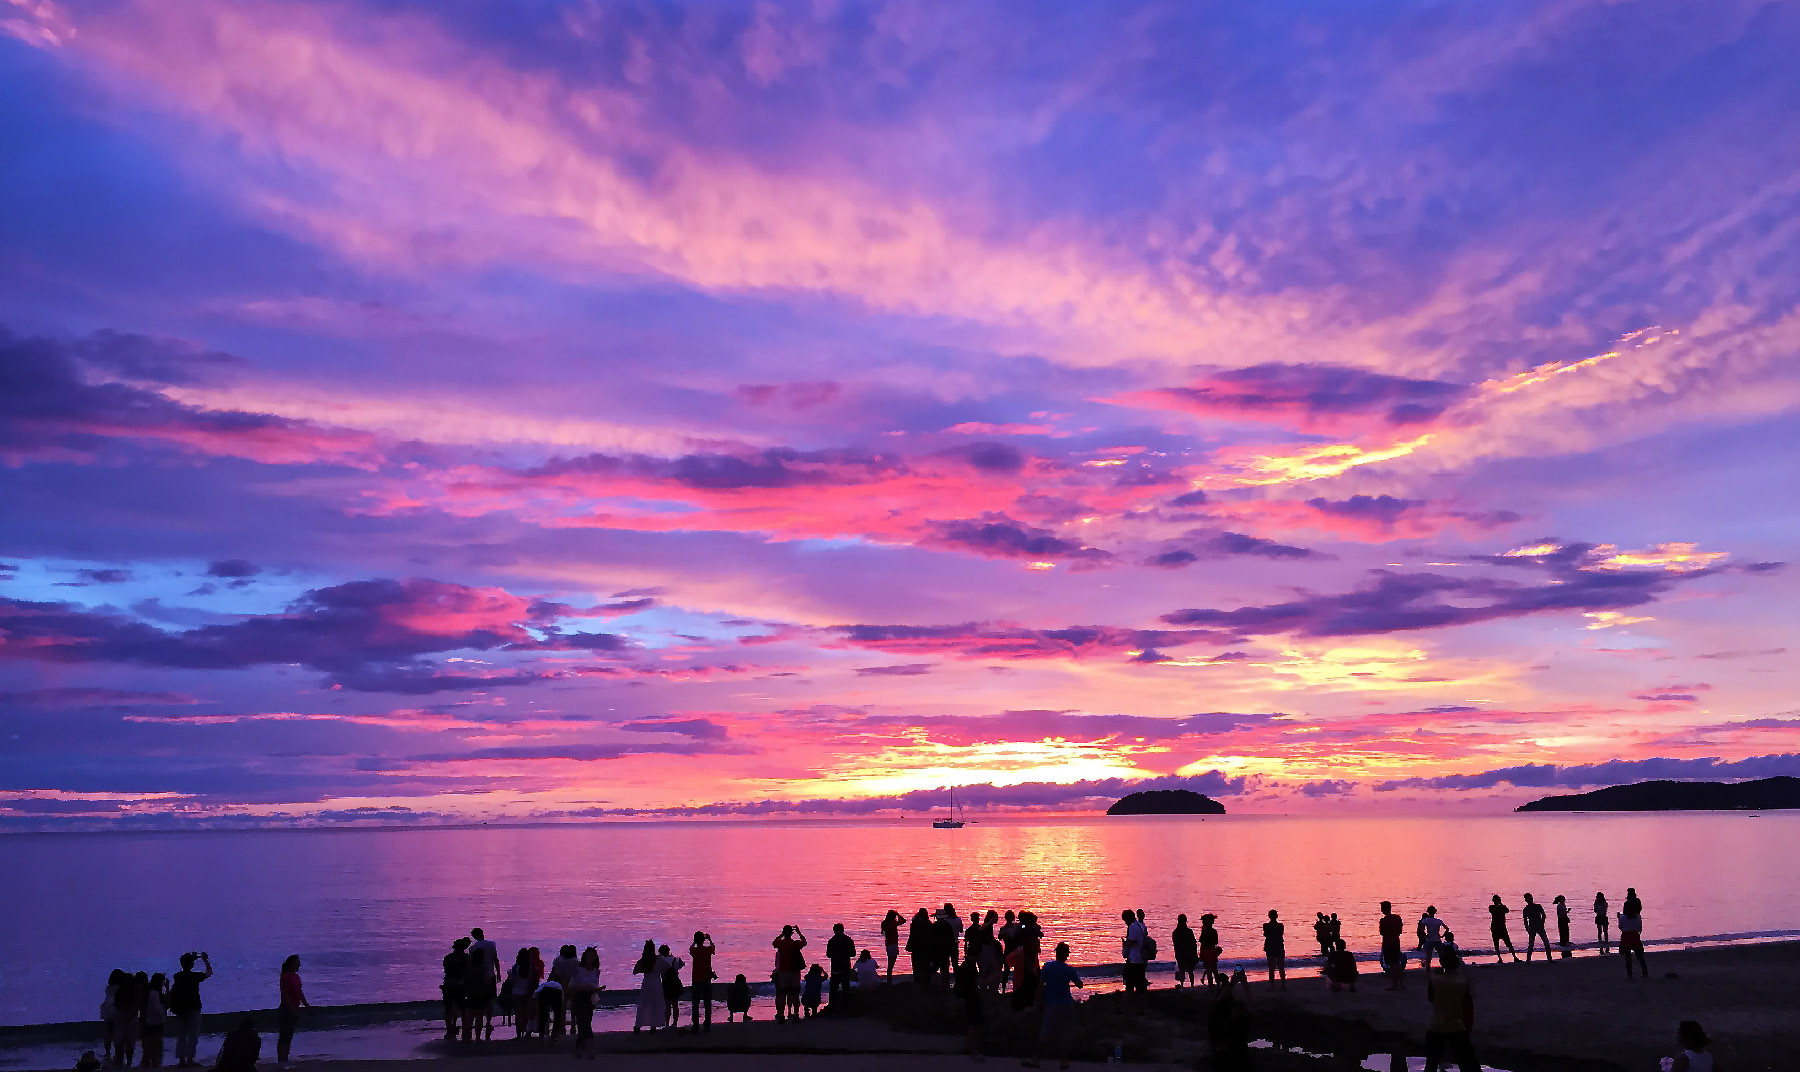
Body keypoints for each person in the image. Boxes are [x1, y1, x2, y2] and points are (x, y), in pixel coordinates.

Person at [1022, 942, 1082, 1070]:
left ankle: (1036, 1059)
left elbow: (1040, 987)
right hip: (1066, 1004)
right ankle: (1064, 1061)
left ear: (1056, 953)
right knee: (1065, 1032)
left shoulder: (1047, 967)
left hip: (1051, 1004)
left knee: (1045, 1033)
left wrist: (1038, 1003)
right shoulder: (1069, 969)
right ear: (1066, 955)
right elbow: (1079, 984)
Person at [1423, 948, 1478, 1072]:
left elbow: (1430, 999)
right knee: (1469, 1063)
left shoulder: (1434, 980)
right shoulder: (1463, 983)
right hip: (1456, 1025)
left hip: (1436, 1025)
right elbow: (1466, 1001)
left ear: (1442, 963)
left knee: (1431, 1063)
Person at [168, 952, 211, 1068]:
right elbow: (209, 973)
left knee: (181, 1034)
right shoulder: (194, 976)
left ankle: (181, 1060)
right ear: (192, 964)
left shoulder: (177, 976)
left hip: (181, 1009)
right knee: (193, 1034)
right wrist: (205, 960)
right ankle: (190, 1059)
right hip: (193, 1007)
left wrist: (192, 957)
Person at [1207, 975, 1252, 1072]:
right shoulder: (1241, 1023)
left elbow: (1216, 1012)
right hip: (1235, 1058)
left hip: (1228, 1058)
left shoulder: (1225, 1026)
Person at [464, 929, 498, 1042]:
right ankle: (488, 1022)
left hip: (475, 981)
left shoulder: (472, 948)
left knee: (473, 1010)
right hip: (490, 975)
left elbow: (470, 963)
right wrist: (498, 972)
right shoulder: (491, 944)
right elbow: (495, 959)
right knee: (490, 1001)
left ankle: (469, 1033)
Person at [953, 942, 984, 1060]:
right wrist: (993, 976)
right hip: (972, 997)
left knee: (973, 1023)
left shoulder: (965, 965)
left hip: (967, 997)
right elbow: (979, 982)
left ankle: (968, 1047)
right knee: (975, 1024)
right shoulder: (971, 966)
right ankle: (973, 1051)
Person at [276, 956, 308, 1069]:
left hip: (294, 1007)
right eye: (297, 963)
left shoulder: (296, 977)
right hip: (286, 1009)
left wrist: (306, 1004)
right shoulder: (285, 976)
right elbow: (285, 996)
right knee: (284, 1035)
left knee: (289, 1035)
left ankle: (285, 1060)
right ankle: (281, 1061)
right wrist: (293, 1010)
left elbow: (299, 992)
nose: (299, 965)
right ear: (291, 964)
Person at [569, 947, 601, 1057]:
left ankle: (580, 1048)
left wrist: (594, 989)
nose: (590, 958)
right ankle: (589, 1049)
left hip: (590, 998)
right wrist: (586, 988)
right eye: (588, 956)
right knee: (583, 1023)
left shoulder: (596, 971)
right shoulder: (578, 970)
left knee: (586, 1022)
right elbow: (572, 986)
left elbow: (595, 985)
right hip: (579, 997)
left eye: (592, 956)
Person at [772, 925, 807, 1020]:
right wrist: (799, 932)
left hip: (783, 971)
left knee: (782, 994)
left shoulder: (781, 943)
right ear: (792, 933)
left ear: (784, 933)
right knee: (794, 993)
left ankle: (781, 1015)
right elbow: (804, 942)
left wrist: (782, 934)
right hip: (795, 972)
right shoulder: (795, 944)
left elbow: (774, 943)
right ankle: (795, 1014)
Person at [632, 941, 664, 1033]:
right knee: (655, 1004)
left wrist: (643, 968)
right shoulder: (658, 959)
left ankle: (638, 1026)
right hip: (656, 983)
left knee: (643, 1004)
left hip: (647, 982)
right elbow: (667, 966)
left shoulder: (642, 961)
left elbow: (635, 971)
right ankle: (653, 1026)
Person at [440, 939, 469, 1041]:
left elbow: (446, 970)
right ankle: (465, 1028)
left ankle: (449, 1028)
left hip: (448, 983)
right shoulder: (466, 958)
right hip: (460, 984)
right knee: (463, 1008)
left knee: (448, 1008)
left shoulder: (448, 957)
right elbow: (467, 972)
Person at [688, 932, 716, 1032]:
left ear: (695, 940)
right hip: (706, 979)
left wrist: (694, 942)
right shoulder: (708, 950)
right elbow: (713, 948)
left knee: (695, 1004)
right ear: (703, 940)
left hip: (696, 980)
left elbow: (690, 948)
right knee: (707, 1003)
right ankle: (707, 1023)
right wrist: (709, 939)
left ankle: (695, 1024)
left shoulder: (694, 950)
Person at [1120, 908, 1149, 1005]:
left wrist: (1125, 944)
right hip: (1141, 959)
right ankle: (1141, 1007)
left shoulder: (1132, 927)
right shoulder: (1140, 925)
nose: (1125, 923)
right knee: (1140, 986)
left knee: (1129, 985)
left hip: (1134, 960)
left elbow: (1132, 941)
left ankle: (1126, 1006)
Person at [114, 971, 142, 1067]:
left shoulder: (119, 991)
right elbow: (137, 1007)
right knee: (130, 1043)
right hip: (131, 1019)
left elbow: (117, 1006)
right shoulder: (135, 992)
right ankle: (128, 1063)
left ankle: (120, 1063)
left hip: (121, 1019)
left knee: (119, 1043)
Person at [826, 923, 856, 1008]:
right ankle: (845, 1008)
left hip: (835, 967)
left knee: (833, 989)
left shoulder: (831, 941)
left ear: (834, 930)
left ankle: (832, 1008)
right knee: (846, 988)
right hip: (845, 967)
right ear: (843, 929)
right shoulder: (848, 940)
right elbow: (853, 954)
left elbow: (828, 955)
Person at [507, 949, 536, 1038]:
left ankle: (519, 1033)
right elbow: (532, 980)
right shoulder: (531, 967)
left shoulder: (516, 967)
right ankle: (527, 1032)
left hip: (516, 992)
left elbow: (512, 980)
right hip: (526, 992)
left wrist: (509, 975)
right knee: (525, 1013)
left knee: (518, 1014)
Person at [1619, 888, 1648, 979]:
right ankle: (1645, 973)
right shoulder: (1638, 916)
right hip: (1635, 935)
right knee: (1639, 956)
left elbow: (1621, 927)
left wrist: (1619, 918)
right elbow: (1639, 928)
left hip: (1626, 936)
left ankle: (1630, 975)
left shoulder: (1623, 917)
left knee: (1628, 957)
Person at [142, 973, 169, 1069]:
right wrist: (163, 1015)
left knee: (150, 1043)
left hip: (150, 1021)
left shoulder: (150, 992)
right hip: (156, 1022)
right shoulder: (154, 993)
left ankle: (149, 1063)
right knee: (157, 1045)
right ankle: (155, 1063)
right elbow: (158, 1008)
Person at [1379, 902, 1406, 990]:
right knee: (1396, 963)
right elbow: (1400, 931)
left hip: (1387, 942)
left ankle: (1394, 984)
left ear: (1383, 909)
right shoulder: (1397, 918)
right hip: (1396, 942)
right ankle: (1401, 983)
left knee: (1392, 964)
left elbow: (1382, 933)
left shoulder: (1383, 920)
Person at [101, 971, 124, 1065]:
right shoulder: (121, 988)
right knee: (117, 1032)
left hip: (107, 1009)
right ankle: (117, 1054)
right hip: (116, 1010)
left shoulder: (109, 987)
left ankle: (107, 1053)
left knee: (108, 1033)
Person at [1487, 896, 1519, 963]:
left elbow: (1507, 910)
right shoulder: (1492, 907)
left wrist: (1501, 904)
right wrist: (1500, 905)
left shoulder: (1502, 907)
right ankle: (1500, 958)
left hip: (1501, 928)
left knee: (1508, 943)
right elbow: (1493, 911)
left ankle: (1514, 957)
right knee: (1497, 944)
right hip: (1496, 928)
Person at [906, 909, 932, 986]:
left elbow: (912, 936)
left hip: (916, 947)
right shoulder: (929, 924)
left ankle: (917, 982)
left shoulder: (914, 924)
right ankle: (926, 982)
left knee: (916, 966)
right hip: (926, 947)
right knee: (926, 965)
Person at [1171, 914, 1198, 988]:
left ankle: (1182, 985)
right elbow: (1193, 943)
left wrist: (1176, 954)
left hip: (1180, 953)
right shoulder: (1189, 931)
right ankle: (1192, 985)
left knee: (1182, 970)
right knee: (1190, 970)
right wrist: (1195, 953)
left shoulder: (1175, 932)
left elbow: (1175, 944)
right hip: (1189, 953)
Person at [1262, 910, 1287, 990]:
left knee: (1271, 968)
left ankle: (1272, 986)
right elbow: (1280, 934)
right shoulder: (1280, 926)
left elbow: (1266, 934)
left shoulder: (1266, 926)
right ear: (1276, 916)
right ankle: (1283, 985)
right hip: (1279, 946)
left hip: (1270, 947)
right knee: (1281, 967)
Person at [660, 945, 684, 1029]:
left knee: (667, 1005)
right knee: (675, 1004)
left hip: (666, 984)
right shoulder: (676, 960)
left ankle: (667, 1023)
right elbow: (682, 965)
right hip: (675, 983)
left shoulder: (661, 961)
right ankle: (675, 1023)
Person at [1521, 895, 1550, 962]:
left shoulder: (1537, 906)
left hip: (1539, 927)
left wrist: (1542, 923)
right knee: (1531, 944)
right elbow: (1525, 920)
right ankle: (1528, 960)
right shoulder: (1526, 909)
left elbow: (1543, 915)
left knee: (1546, 943)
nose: (1529, 900)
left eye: (1530, 898)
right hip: (1532, 928)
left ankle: (1549, 958)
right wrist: (1527, 928)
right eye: (1528, 898)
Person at [1198, 914, 1222, 988]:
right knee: (1214, 970)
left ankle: (1211, 986)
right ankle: (1218, 985)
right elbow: (1215, 942)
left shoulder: (1204, 932)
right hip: (1212, 951)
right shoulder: (1213, 931)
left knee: (1209, 970)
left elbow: (1202, 943)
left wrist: (1201, 953)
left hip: (1205, 952)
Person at [880, 911, 902, 980]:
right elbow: (903, 921)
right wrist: (898, 914)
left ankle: (889, 978)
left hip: (888, 944)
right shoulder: (893, 923)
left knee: (890, 962)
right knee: (891, 964)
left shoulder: (884, 923)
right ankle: (889, 979)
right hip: (893, 944)